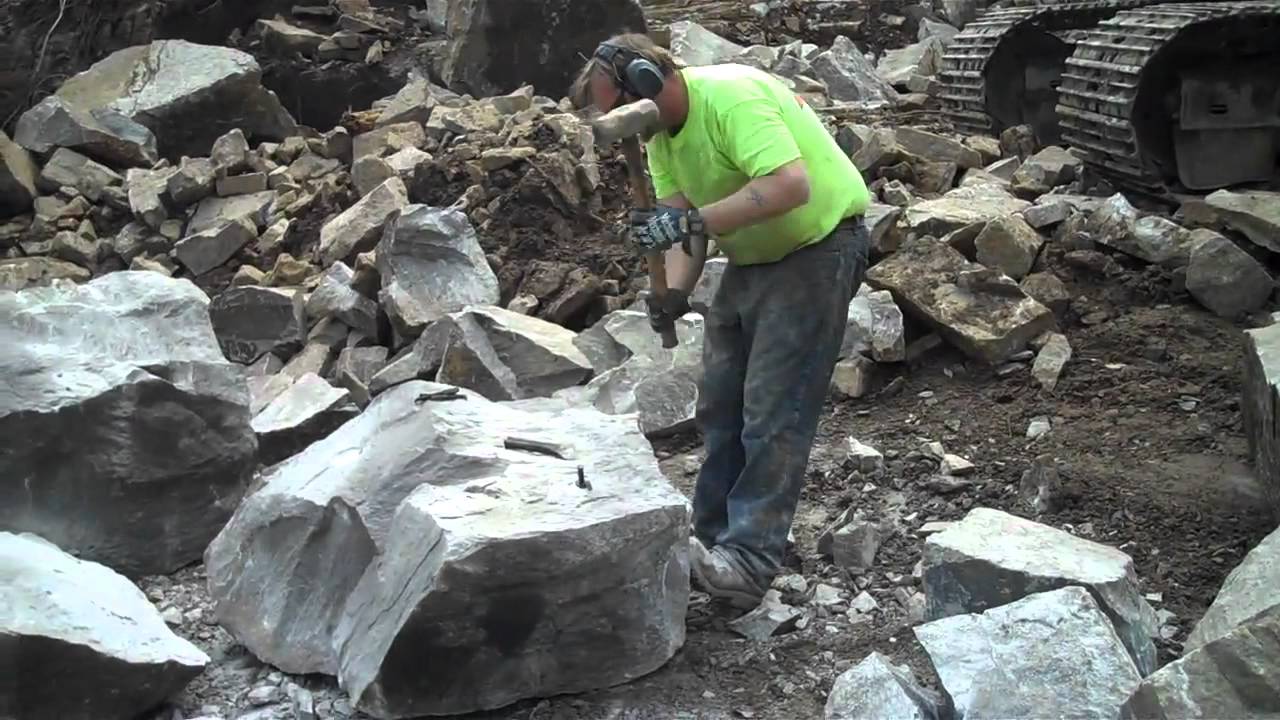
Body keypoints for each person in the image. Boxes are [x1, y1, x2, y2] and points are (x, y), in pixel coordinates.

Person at [571, 34, 872, 609]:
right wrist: (674, 292)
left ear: (647, 79)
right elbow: (684, 226)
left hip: (819, 247)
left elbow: (789, 185)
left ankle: (751, 557)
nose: (617, 122)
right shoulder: (657, 134)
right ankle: (706, 542)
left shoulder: (731, 96)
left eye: (617, 106)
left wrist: (687, 224)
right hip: (755, 257)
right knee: (719, 405)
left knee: (773, 409)